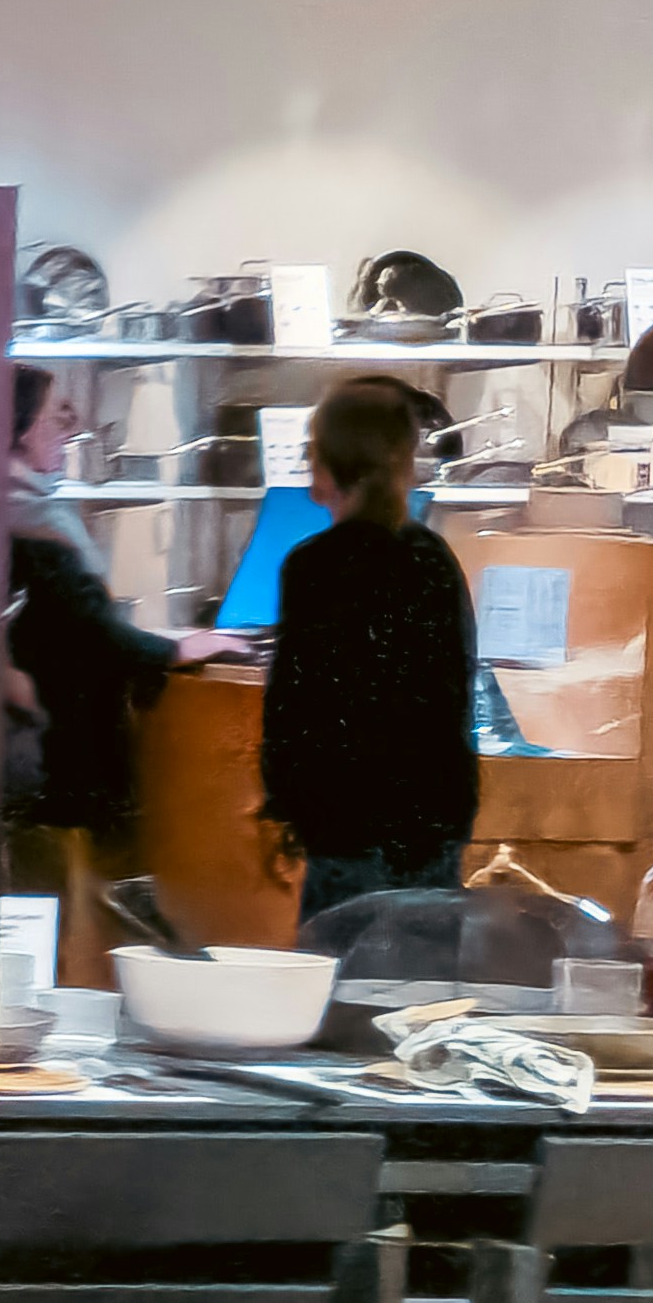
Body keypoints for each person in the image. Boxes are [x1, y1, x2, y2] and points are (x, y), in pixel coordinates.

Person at [238, 371, 478, 921]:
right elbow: (454, 697)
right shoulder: (434, 558)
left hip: (344, 830)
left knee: (344, 988)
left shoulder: (315, 565)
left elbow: (296, 706)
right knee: (421, 997)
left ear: (334, 458)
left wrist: (284, 808)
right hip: (429, 831)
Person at [1, 362, 176, 877]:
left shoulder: (16, 508)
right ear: (21, 429)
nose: (71, 427)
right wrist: (177, 650)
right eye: (58, 416)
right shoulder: (31, 520)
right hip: (56, 755)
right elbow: (85, 628)